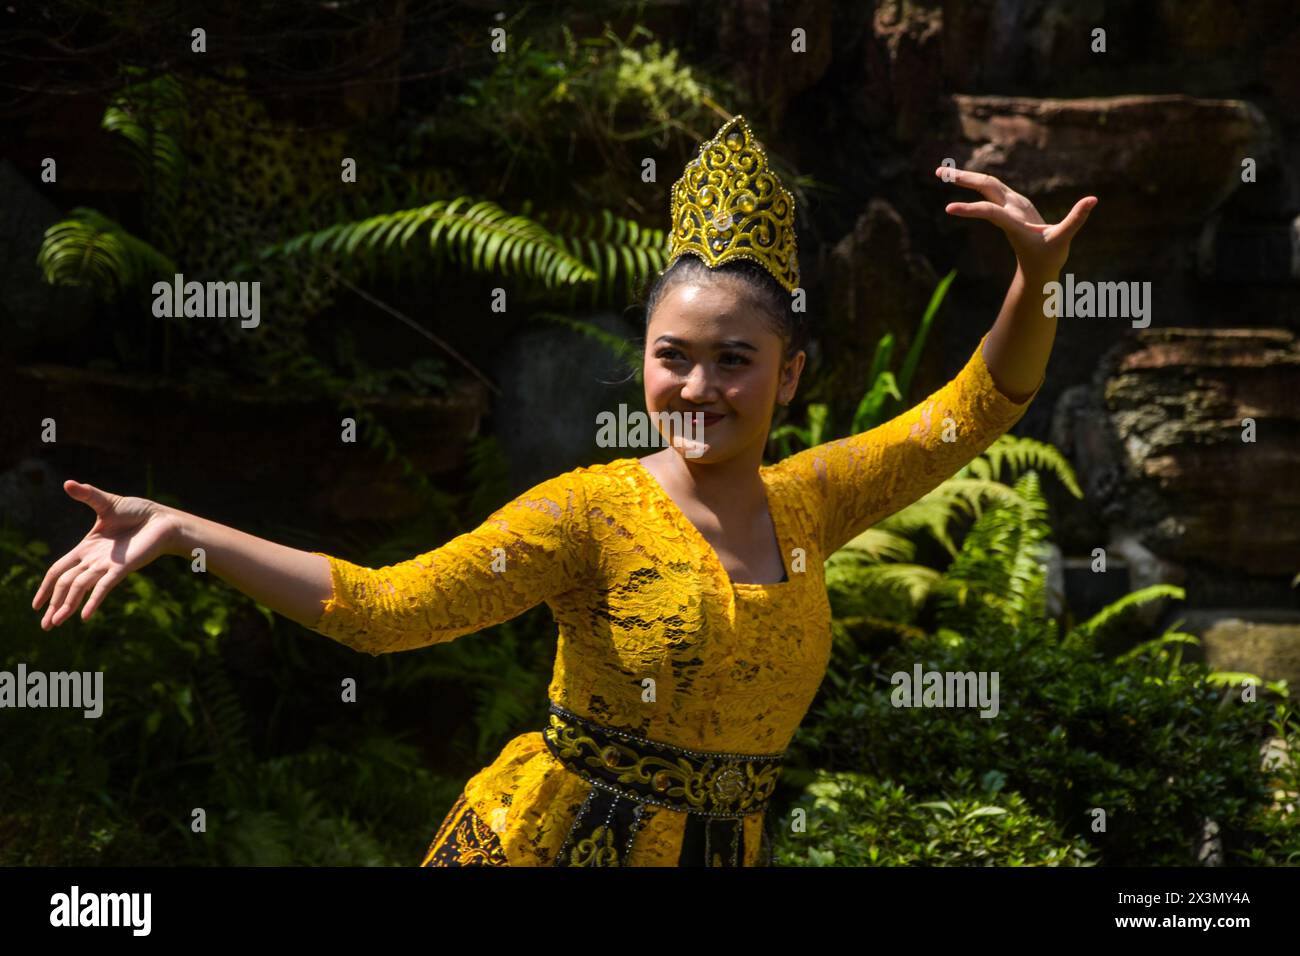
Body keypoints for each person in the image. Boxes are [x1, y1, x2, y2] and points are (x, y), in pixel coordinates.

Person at [31, 115, 1095, 866]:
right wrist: (181, 529)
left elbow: (981, 404)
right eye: (672, 354)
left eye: (734, 358)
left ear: (791, 372)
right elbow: (385, 609)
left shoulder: (814, 500)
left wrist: (1035, 282)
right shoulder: (585, 512)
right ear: (640, 358)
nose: (697, 384)